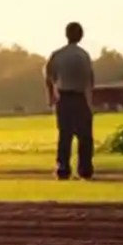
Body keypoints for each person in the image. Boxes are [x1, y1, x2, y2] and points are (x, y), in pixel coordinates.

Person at [43, 22, 95, 180]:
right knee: (85, 136)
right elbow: (89, 81)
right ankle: (85, 168)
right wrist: (89, 102)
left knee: (65, 135)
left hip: (64, 98)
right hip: (80, 98)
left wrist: (51, 96)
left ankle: (63, 168)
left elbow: (49, 76)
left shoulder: (57, 55)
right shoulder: (84, 55)